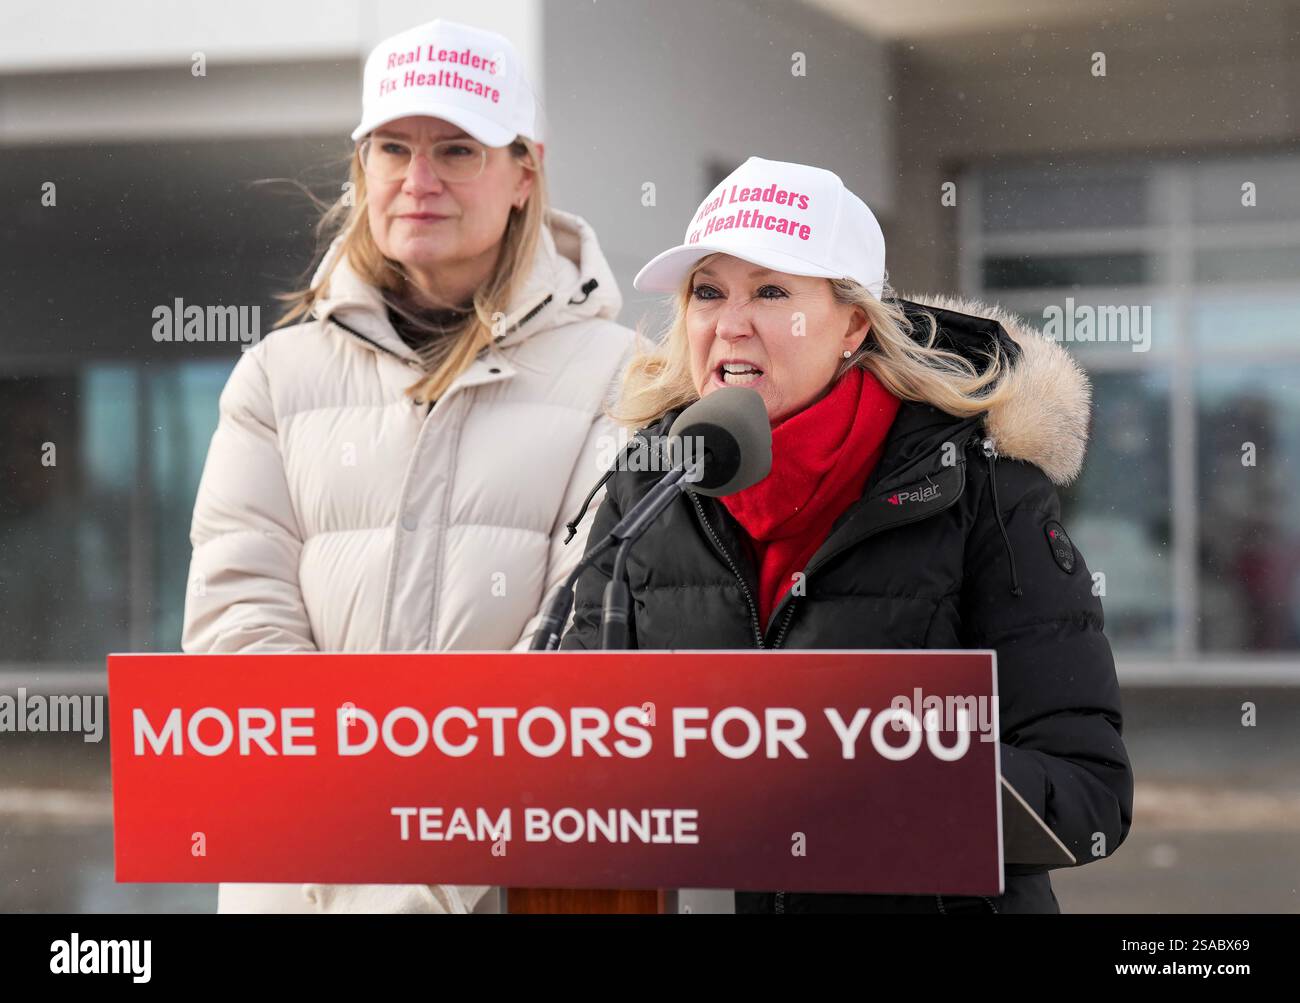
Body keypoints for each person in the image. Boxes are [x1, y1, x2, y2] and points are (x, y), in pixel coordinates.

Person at [559, 156, 1134, 914]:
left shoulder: (982, 486)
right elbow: (560, 745)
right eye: (708, 292)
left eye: (771, 291)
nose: (732, 322)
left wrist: (884, 772)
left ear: (853, 323)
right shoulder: (647, 486)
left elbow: (1087, 798)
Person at [182, 19, 635, 913]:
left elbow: (574, 649)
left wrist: (421, 878)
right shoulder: (277, 376)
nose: (418, 181)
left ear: (525, 174)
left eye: (457, 150)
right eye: (393, 147)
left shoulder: (619, 377)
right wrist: (363, 851)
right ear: (363, 168)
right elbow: (239, 631)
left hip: (501, 888)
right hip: (296, 882)